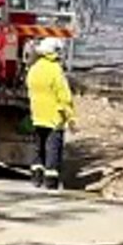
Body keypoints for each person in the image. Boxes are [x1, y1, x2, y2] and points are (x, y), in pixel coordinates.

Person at [26, 37, 75, 189]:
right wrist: (70, 116)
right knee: (53, 149)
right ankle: (51, 181)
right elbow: (64, 95)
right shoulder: (55, 70)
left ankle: (36, 177)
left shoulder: (34, 69)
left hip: (37, 115)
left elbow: (29, 89)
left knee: (38, 148)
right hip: (54, 117)